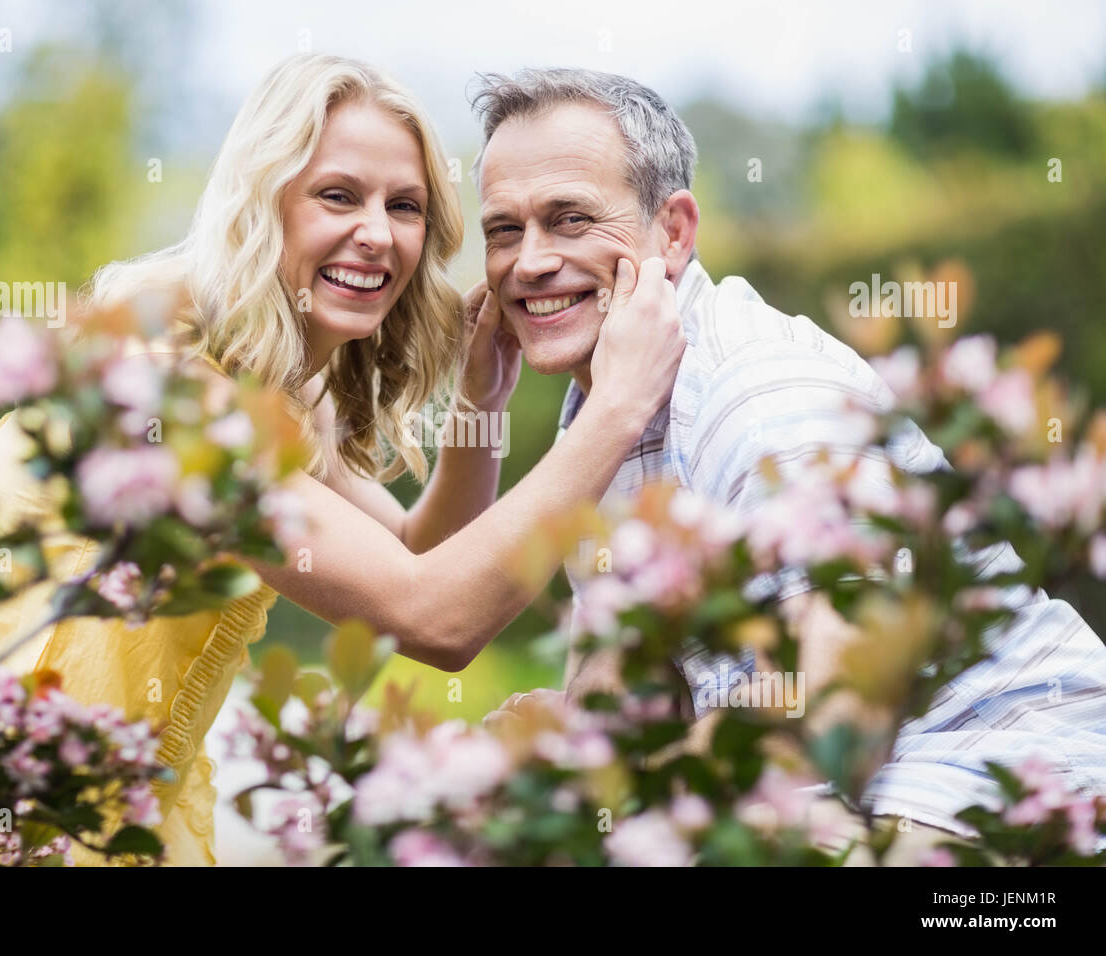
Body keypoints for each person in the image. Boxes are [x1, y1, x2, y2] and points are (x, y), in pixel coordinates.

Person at [0, 54, 687, 865]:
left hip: (115, 812)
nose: (376, 233)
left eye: (403, 205)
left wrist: (482, 400)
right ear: (261, 204)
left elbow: (418, 555)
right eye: (338, 196)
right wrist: (616, 409)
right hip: (7, 829)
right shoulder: (169, 396)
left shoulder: (274, 390)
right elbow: (435, 620)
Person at [469, 66, 1106, 863]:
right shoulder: (604, 416)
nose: (529, 262)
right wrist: (565, 737)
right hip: (887, 782)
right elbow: (631, 694)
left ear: (673, 232)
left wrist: (614, 783)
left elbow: (834, 706)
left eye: (570, 220)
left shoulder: (757, 389)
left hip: (1016, 767)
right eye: (504, 230)